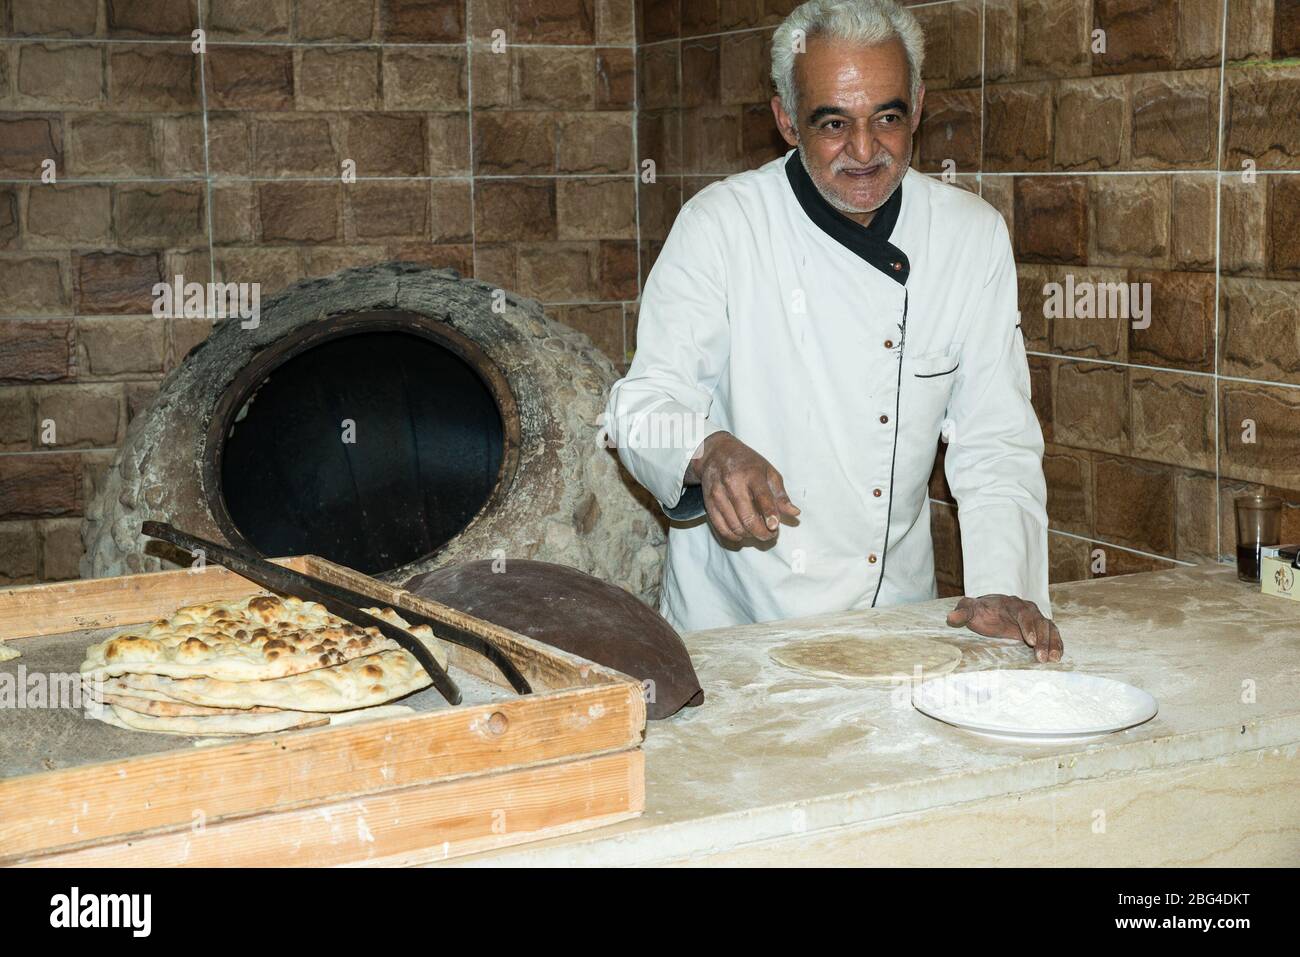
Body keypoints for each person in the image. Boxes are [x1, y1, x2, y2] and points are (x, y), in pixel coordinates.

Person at [604, 0, 1063, 662]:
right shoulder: (722, 227)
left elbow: (994, 442)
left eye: (888, 116)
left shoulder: (970, 236)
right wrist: (708, 450)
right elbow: (640, 405)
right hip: (740, 631)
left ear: (920, 106)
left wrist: (1005, 590)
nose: (865, 149)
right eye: (833, 123)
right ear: (787, 120)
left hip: (897, 626)